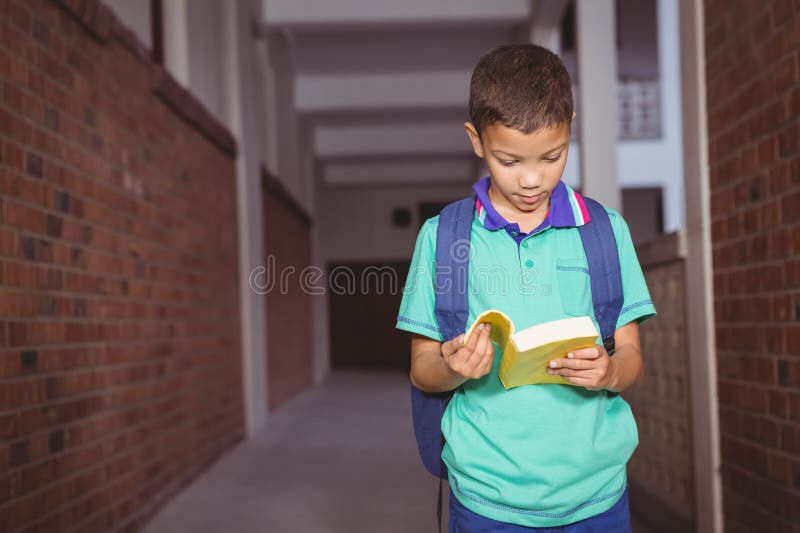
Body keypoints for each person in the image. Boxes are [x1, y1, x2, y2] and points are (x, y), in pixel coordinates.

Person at [395, 44, 657, 531]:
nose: (532, 179)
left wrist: (608, 372)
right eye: (509, 160)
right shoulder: (443, 238)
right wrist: (454, 369)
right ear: (476, 140)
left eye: (552, 156)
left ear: (570, 128)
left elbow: (632, 359)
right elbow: (422, 370)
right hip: (486, 497)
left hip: (598, 495)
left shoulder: (605, 232)